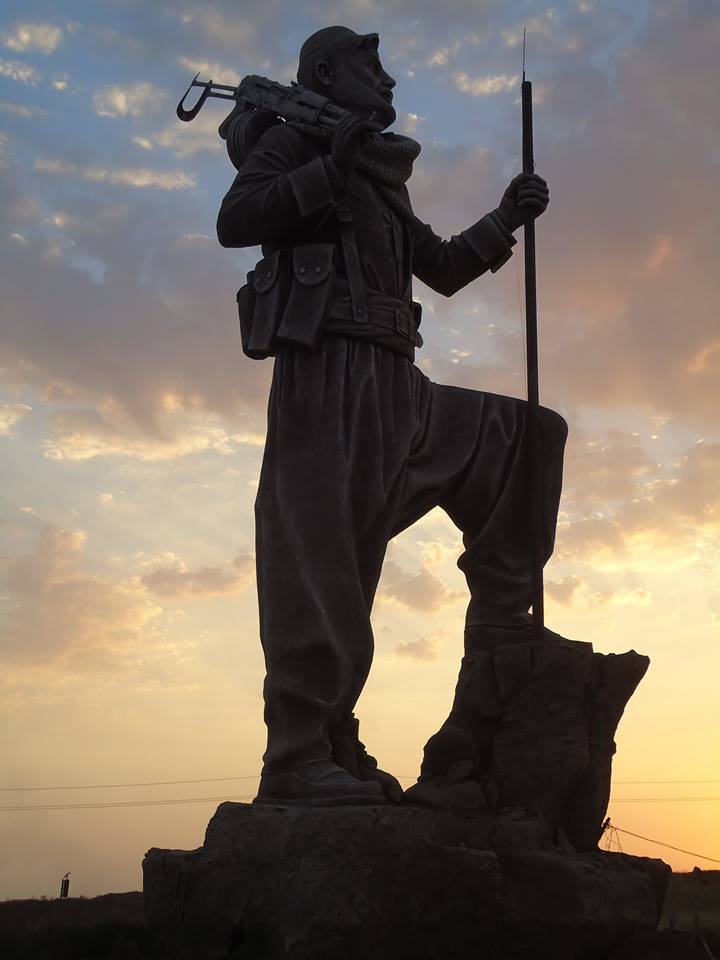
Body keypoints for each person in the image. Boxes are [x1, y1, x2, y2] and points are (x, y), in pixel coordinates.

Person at [217, 26, 567, 805]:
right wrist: (326, 167)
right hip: (325, 380)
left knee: (526, 443)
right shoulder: (288, 142)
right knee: (322, 563)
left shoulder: (381, 174)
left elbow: (437, 266)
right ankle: (304, 751)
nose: (391, 81)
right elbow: (235, 220)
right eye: (373, 68)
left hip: (397, 381)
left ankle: (497, 668)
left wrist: (506, 216)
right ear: (325, 73)